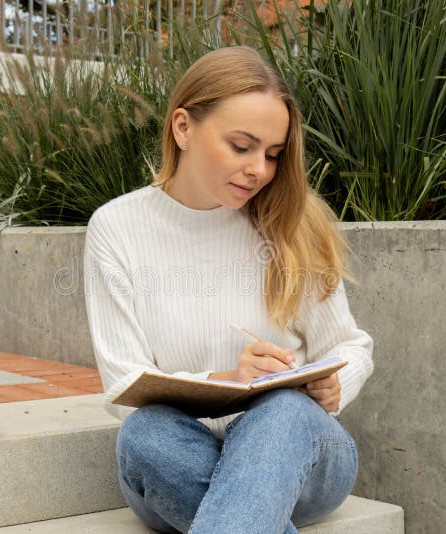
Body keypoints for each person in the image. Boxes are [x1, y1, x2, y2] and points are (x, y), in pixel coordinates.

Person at [83, 46, 373, 534]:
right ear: (183, 128)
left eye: (273, 154)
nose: (259, 169)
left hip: (298, 460)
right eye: (242, 146)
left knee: (282, 410)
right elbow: (122, 386)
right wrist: (230, 380)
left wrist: (333, 383)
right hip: (177, 462)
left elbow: (350, 344)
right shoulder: (117, 228)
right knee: (145, 434)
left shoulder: (290, 224)